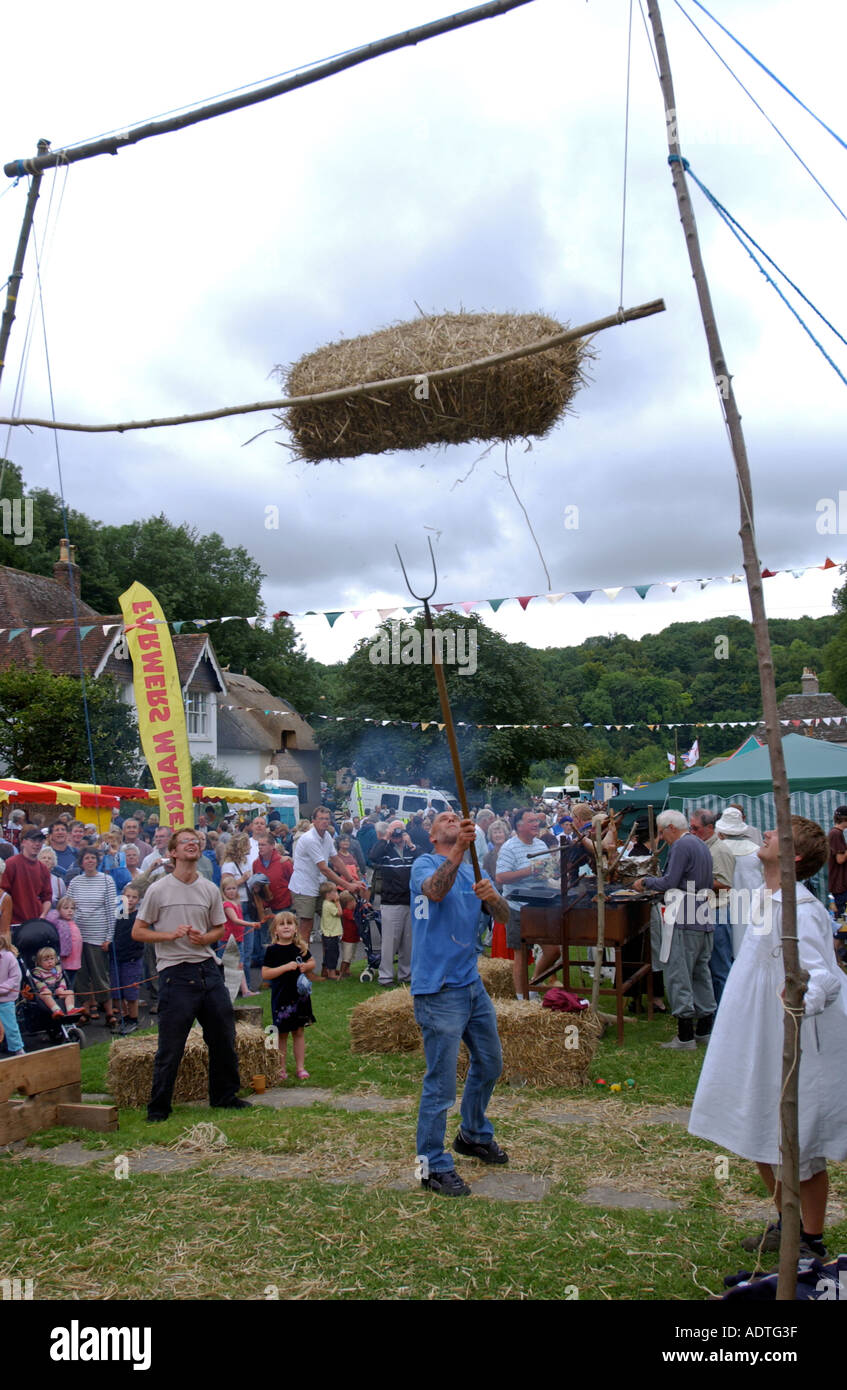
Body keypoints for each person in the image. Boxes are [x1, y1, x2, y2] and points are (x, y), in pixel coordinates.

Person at [689, 817, 847, 1259]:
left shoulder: (802, 909)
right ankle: (788, 1223)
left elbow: (825, 977)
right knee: (760, 1135)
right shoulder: (766, 897)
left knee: (798, 1145)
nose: (767, 835)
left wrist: (801, 1001)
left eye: (776, 835)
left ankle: (809, 1240)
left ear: (794, 857)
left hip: (787, 1033)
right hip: (752, 1034)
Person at [409, 812, 512, 1197]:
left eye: (456, 815)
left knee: (490, 1062)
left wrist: (494, 898)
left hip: (470, 983)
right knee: (440, 1082)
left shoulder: (471, 869)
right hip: (437, 989)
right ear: (434, 835)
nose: (452, 817)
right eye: (444, 818)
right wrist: (462, 852)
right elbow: (435, 891)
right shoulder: (426, 862)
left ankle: (472, 1134)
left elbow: (504, 918)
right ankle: (430, 1165)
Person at [132, 828, 250, 1122]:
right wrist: (170, 935)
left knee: (224, 1036)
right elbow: (138, 931)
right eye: (185, 842)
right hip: (175, 973)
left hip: (208, 970)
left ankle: (224, 1097)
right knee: (171, 1046)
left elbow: (219, 929)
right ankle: (158, 1108)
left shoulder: (209, 888)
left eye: (195, 842)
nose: (192, 845)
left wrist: (205, 938)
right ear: (172, 852)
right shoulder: (159, 889)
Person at [633, 810, 715, 1050]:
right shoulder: (700, 845)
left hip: (684, 917)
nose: (661, 837)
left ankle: (686, 1036)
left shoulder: (681, 846)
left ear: (670, 828)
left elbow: (669, 882)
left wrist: (646, 882)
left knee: (679, 974)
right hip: (702, 916)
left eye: (661, 832)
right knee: (701, 974)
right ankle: (704, 1029)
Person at [495, 809, 554, 998]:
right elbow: (501, 877)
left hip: (540, 906)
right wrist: (530, 871)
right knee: (520, 954)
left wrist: (552, 873)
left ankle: (534, 983)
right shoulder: (509, 847)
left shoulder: (541, 844)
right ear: (519, 826)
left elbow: (549, 872)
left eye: (536, 820)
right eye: (531, 821)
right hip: (517, 907)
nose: (536, 824)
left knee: (553, 951)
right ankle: (522, 998)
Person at [289, 807, 365, 946]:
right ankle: (302, 963)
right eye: (321, 819)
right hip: (304, 887)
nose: (324, 822)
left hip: (319, 885)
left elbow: (336, 860)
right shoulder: (309, 839)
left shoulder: (327, 837)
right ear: (314, 821)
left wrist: (352, 880)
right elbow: (324, 868)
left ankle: (327, 966)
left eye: (327, 819)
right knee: (306, 925)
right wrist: (348, 885)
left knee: (330, 920)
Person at [689, 808, 736, 1004]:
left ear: (709, 827)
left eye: (695, 828)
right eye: (690, 828)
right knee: (706, 967)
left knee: (720, 969)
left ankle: (724, 1013)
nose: (691, 832)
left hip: (717, 914)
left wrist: (691, 880)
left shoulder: (720, 850)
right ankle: (711, 1012)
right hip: (704, 912)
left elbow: (724, 884)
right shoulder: (703, 847)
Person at [262, 911, 316, 1080]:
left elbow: (312, 962)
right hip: (282, 998)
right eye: (282, 924)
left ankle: (301, 1067)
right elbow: (266, 974)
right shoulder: (272, 951)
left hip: (299, 997)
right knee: (282, 1033)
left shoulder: (300, 948)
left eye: (289, 923)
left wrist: (306, 968)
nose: (286, 926)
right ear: (275, 931)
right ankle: (281, 1068)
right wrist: (285, 967)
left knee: (299, 1031)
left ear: (295, 929)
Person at [68, 847, 118, 1026]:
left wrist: (109, 937)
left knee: (100, 975)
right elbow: (69, 906)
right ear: (81, 862)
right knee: (81, 976)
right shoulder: (75, 882)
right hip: (78, 936)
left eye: (92, 858)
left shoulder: (107, 880)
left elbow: (113, 911)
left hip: (99, 936)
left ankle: (109, 1012)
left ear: (97, 861)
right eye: (86, 858)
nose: (89, 861)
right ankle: (85, 1011)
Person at [368, 819, 420, 987]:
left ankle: (406, 975)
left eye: (400, 831)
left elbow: (425, 860)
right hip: (391, 901)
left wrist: (411, 844)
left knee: (408, 942)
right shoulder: (385, 849)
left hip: (410, 901)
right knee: (390, 942)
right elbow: (372, 857)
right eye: (394, 831)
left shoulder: (412, 849)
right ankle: (386, 977)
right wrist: (386, 838)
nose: (397, 836)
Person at [1, 827, 52, 926]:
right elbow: (2, 894)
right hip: (13, 924)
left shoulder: (43, 869)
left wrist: (43, 916)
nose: (37, 844)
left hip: (35, 923)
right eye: (33, 840)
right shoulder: (11, 864)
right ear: (24, 842)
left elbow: (47, 898)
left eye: (40, 841)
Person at [110, 886, 144, 1033]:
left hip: (132, 958)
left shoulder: (139, 916)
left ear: (138, 900)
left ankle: (134, 1018)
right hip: (117, 957)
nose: (130, 900)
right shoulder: (120, 914)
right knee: (118, 991)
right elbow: (116, 933)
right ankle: (125, 1017)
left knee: (131, 991)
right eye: (127, 896)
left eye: (134, 897)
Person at [220, 873, 258, 997]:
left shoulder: (236, 903)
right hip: (228, 940)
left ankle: (245, 990)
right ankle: (227, 991)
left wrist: (247, 927)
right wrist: (250, 924)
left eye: (233, 888)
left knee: (239, 964)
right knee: (228, 966)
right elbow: (235, 919)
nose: (231, 891)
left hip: (238, 938)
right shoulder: (227, 905)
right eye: (228, 889)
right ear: (223, 891)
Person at [48, 895, 83, 990]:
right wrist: (56, 912)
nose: (70, 911)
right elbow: (50, 919)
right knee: (64, 986)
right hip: (65, 963)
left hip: (75, 962)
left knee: (70, 985)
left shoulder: (73, 923)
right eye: (66, 908)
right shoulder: (59, 923)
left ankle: (69, 1002)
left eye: (72, 908)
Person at [32, 945, 79, 1016]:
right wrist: (44, 989)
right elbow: (38, 982)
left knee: (70, 992)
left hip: (57, 991)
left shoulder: (57, 969)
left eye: (52, 959)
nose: (50, 962)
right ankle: (56, 1010)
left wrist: (61, 988)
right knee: (45, 995)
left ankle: (70, 1009)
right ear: (39, 962)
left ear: (56, 959)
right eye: (46, 960)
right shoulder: (38, 971)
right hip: (45, 991)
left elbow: (62, 980)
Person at [0, 924, 24, 1055]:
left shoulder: (8, 957)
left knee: (10, 1026)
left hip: (5, 998)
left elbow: (15, 977)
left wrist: (3, 989)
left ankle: (17, 1049)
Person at [318, 882, 343, 979]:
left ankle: (330, 970)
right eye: (335, 892)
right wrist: (337, 902)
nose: (337, 894)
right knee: (332, 954)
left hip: (329, 933)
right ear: (328, 894)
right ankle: (331, 973)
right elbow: (340, 913)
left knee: (332, 953)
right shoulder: (329, 905)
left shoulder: (326, 903)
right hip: (330, 934)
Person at [826, 806, 847, 917]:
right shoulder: (836, 834)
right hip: (839, 884)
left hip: (840, 884)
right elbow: (840, 859)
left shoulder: (836, 833)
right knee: (841, 919)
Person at [339, 889, 359, 978]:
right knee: (346, 958)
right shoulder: (346, 912)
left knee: (350, 957)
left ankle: (347, 971)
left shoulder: (351, 911)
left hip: (354, 938)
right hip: (348, 939)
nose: (355, 903)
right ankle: (341, 973)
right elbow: (355, 918)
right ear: (348, 903)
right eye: (354, 902)